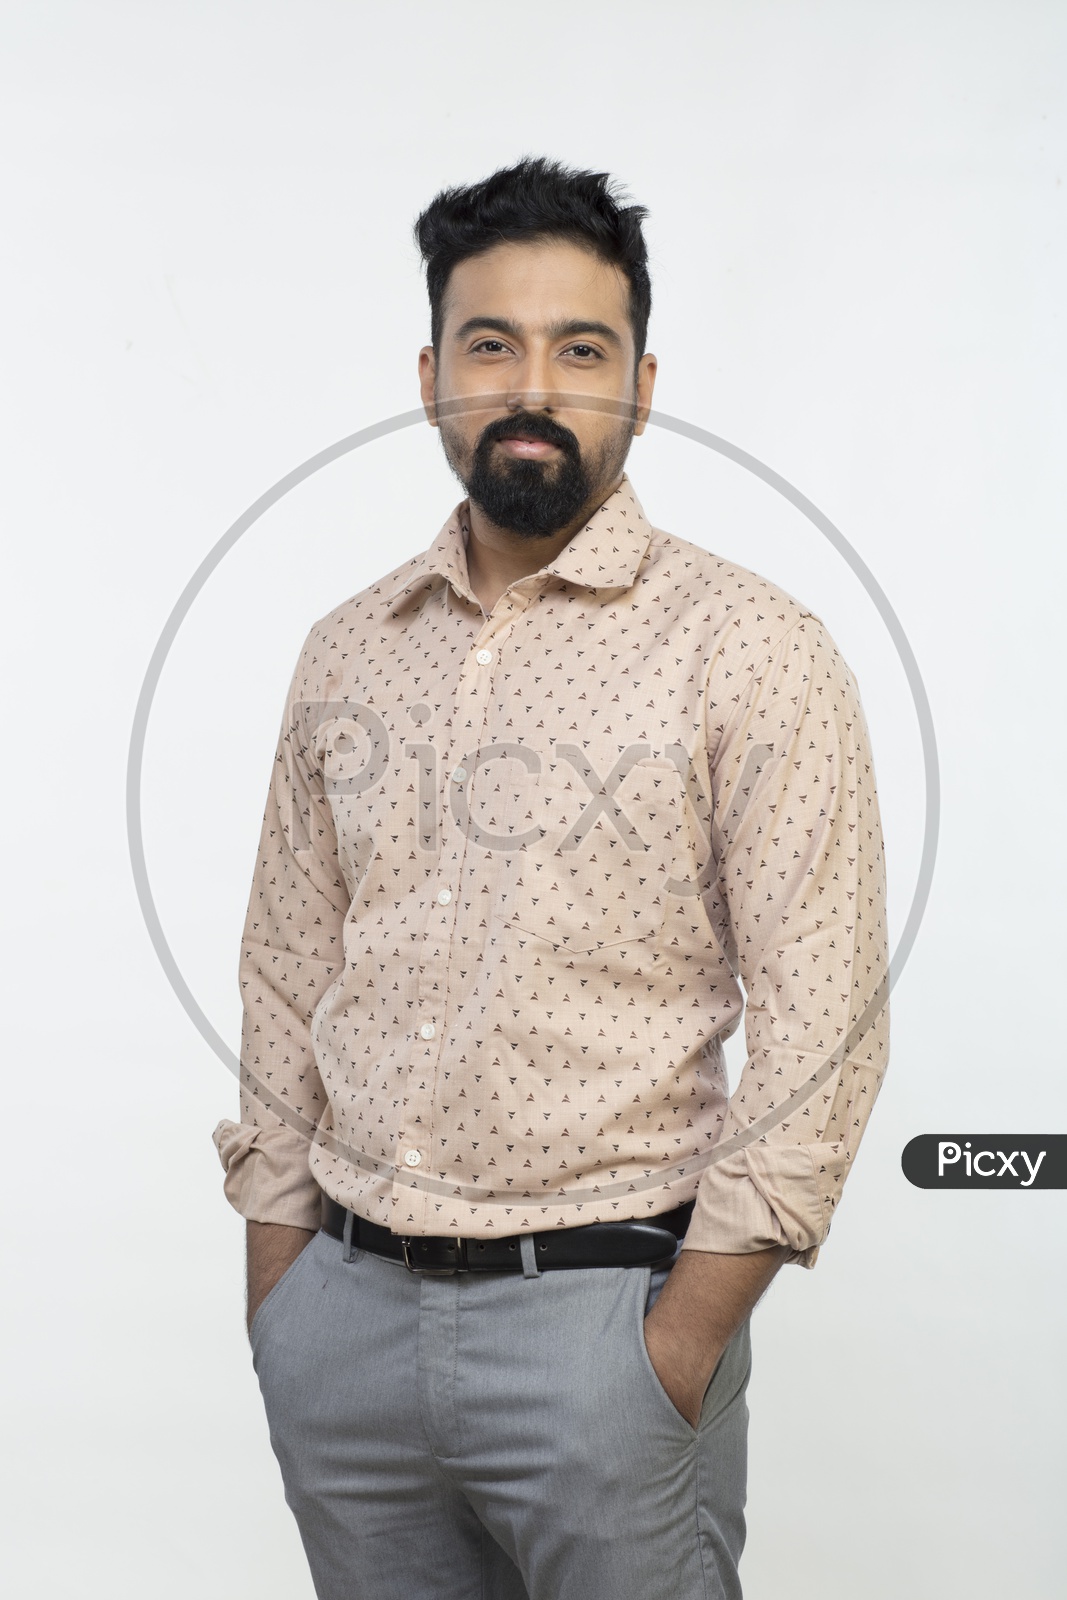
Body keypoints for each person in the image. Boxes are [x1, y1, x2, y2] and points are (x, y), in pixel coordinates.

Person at [213, 154, 890, 1600]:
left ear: (641, 383)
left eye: (581, 349)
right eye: (491, 344)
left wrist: (677, 1343)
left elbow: (825, 1025)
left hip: (607, 1333)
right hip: (342, 1328)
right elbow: (286, 970)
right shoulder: (346, 648)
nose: (533, 386)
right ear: (431, 379)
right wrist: (282, 1295)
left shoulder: (749, 649)